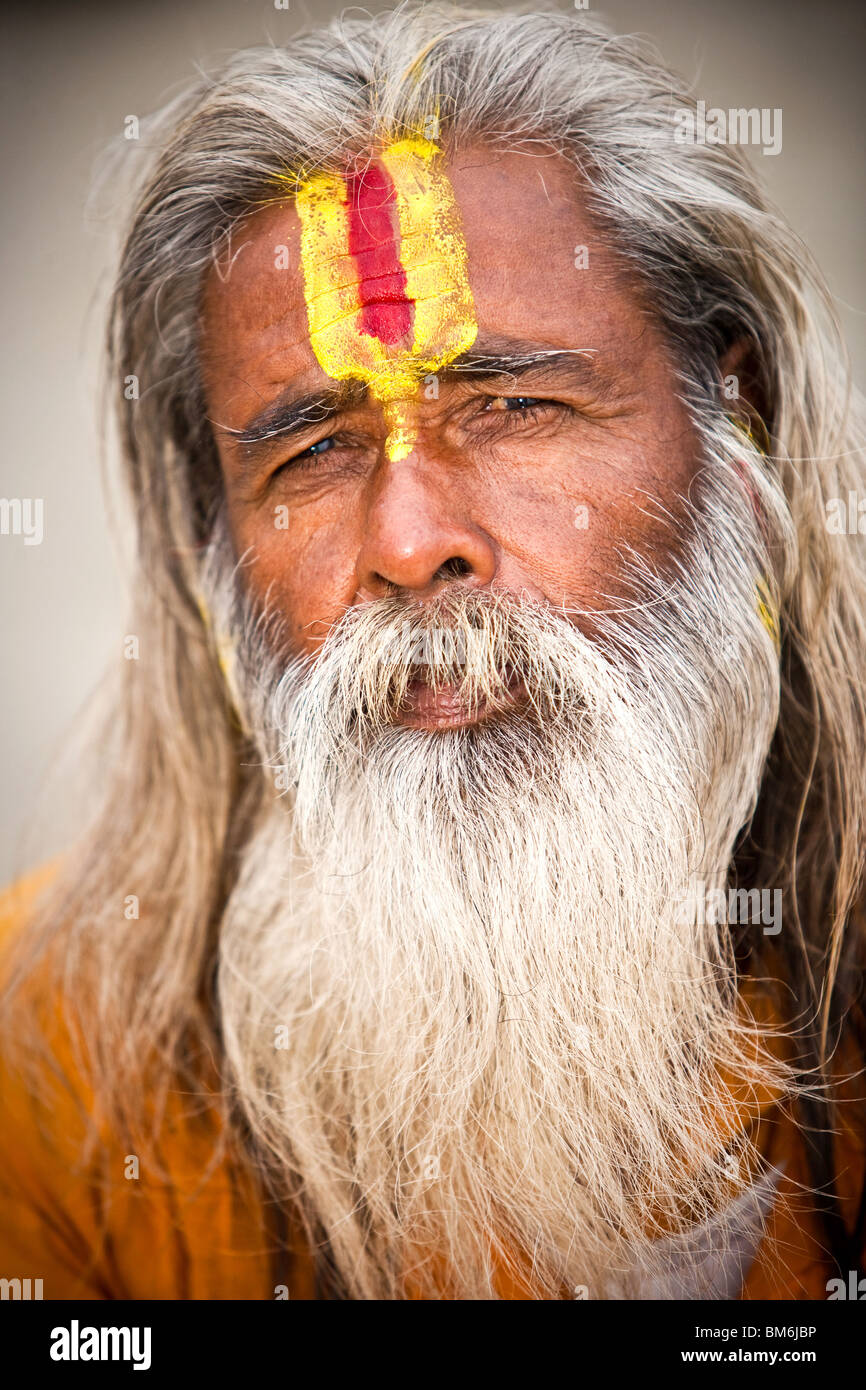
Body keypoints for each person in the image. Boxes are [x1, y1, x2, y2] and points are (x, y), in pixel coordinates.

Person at [1, 3, 864, 1300]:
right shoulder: (45, 1066)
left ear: (728, 414)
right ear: (211, 543)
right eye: (312, 448)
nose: (409, 541)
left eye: (512, 405)